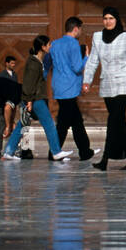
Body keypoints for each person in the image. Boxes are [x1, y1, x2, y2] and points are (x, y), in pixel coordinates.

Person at [83, 6, 126, 171]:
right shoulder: (97, 37)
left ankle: (105, 159)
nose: (108, 22)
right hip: (107, 86)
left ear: (117, 20)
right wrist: (87, 80)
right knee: (119, 122)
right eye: (105, 18)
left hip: (124, 85)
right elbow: (93, 60)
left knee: (112, 121)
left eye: (111, 18)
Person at [3, 35, 72, 162]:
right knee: (49, 124)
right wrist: (29, 101)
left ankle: (9, 151)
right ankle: (56, 151)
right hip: (35, 99)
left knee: (22, 125)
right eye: (49, 44)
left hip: (33, 98)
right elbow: (29, 83)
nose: (50, 46)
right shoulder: (34, 63)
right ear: (43, 47)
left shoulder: (39, 61)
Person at [49, 16, 97, 162]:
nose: (81, 32)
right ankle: (54, 152)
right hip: (69, 88)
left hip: (58, 86)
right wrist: (86, 57)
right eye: (80, 29)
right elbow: (77, 67)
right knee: (63, 124)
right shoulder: (74, 44)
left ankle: (85, 151)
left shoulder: (55, 44)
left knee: (76, 121)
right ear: (76, 28)